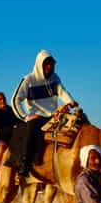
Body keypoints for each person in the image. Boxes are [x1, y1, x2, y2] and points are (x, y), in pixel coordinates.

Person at [12, 49, 77, 177]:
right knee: (31, 129)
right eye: (46, 64)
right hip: (37, 116)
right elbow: (15, 99)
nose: (49, 67)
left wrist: (71, 101)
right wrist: (25, 116)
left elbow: (62, 91)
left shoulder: (55, 78)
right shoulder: (28, 80)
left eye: (51, 64)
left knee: (77, 122)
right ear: (40, 64)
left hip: (54, 115)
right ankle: (25, 164)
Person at [0, 91, 17, 186]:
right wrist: (13, 128)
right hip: (3, 139)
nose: (2, 101)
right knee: (1, 148)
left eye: (3, 98)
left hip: (16, 137)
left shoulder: (12, 110)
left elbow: (19, 121)